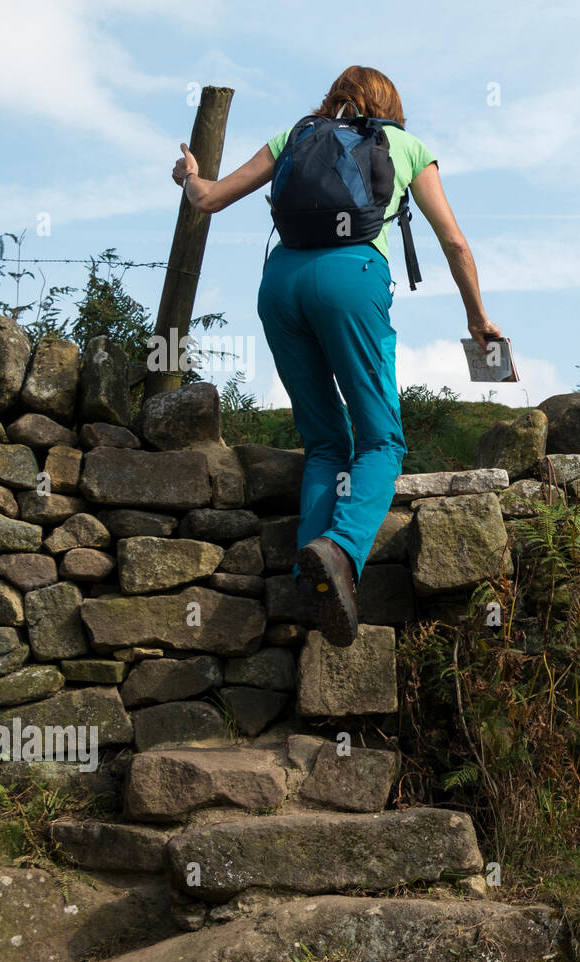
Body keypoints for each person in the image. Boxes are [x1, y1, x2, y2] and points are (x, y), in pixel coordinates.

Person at [171, 65, 499, 647]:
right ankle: (341, 551)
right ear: (390, 105)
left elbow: (208, 200)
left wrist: (191, 175)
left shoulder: (297, 135)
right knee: (381, 440)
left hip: (281, 285)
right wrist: (477, 318)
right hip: (350, 279)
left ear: (334, 98)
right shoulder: (404, 145)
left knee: (325, 443)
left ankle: (308, 580)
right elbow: (453, 240)